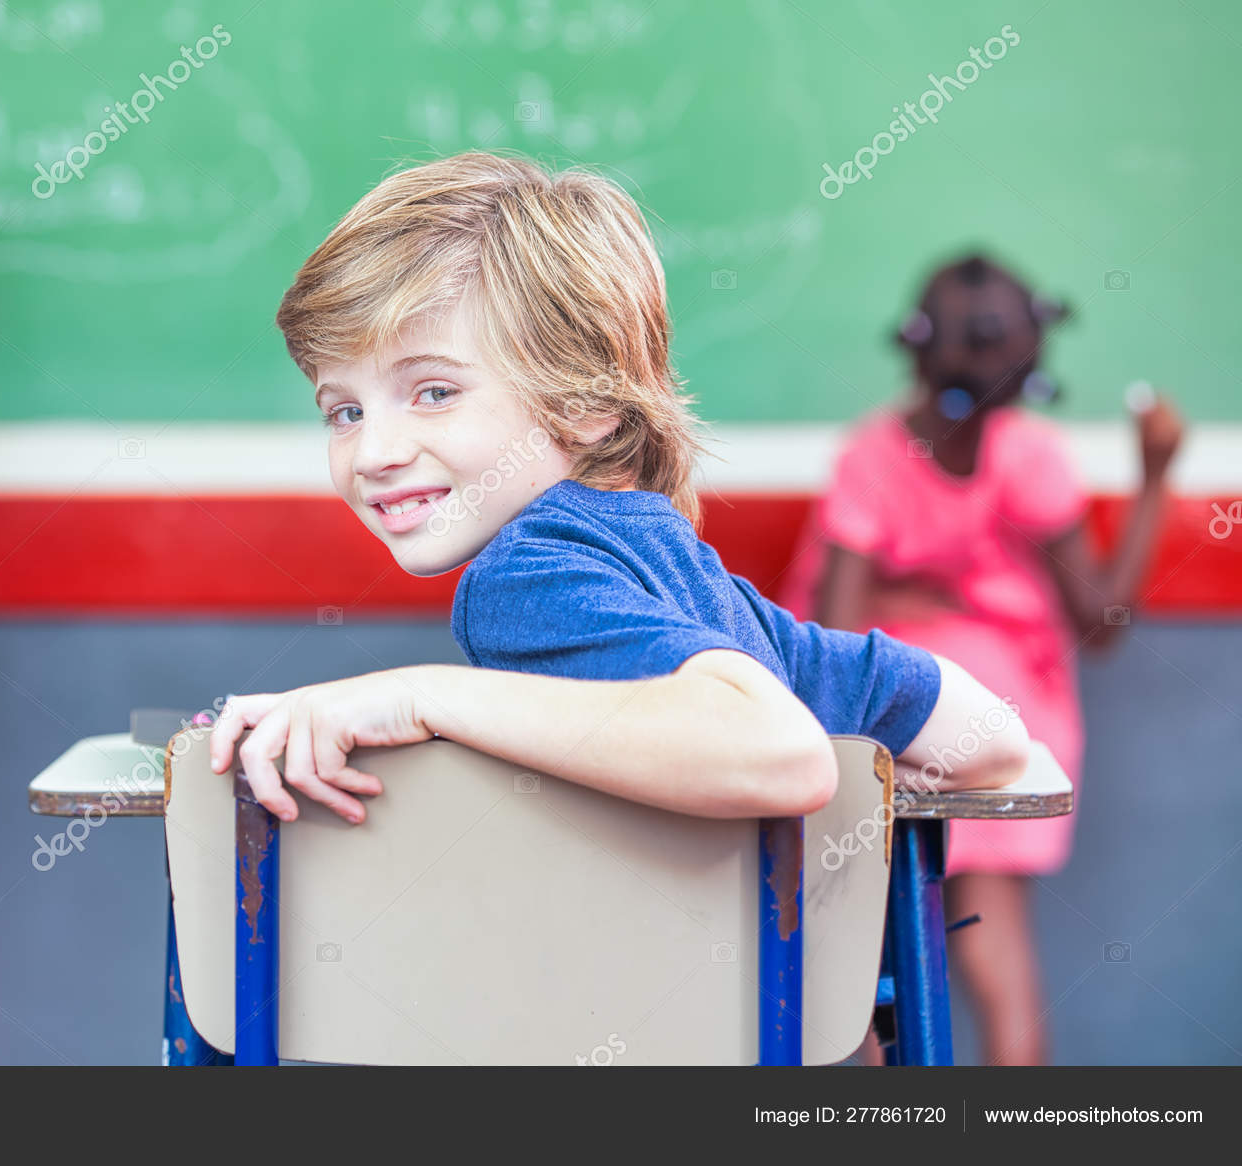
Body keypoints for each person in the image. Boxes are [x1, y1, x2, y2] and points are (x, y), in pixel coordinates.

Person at [206, 152, 1028, 842]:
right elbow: (990, 739)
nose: (374, 452)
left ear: (587, 405)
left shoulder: (521, 581)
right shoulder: (695, 586)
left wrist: (419, 695)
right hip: (786, 1026)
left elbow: (783, 753)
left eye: (431, 392)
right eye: (345, 411)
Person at [780, 253, 1185, 1064]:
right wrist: (1155, 478)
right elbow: (1099, 621)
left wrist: (911, 596)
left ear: (917, 346)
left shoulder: (888, 458)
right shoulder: (994, 456)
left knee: (866, 961)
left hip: (899, 747)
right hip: (948, 743)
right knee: (974, 950)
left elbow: (839, 638)